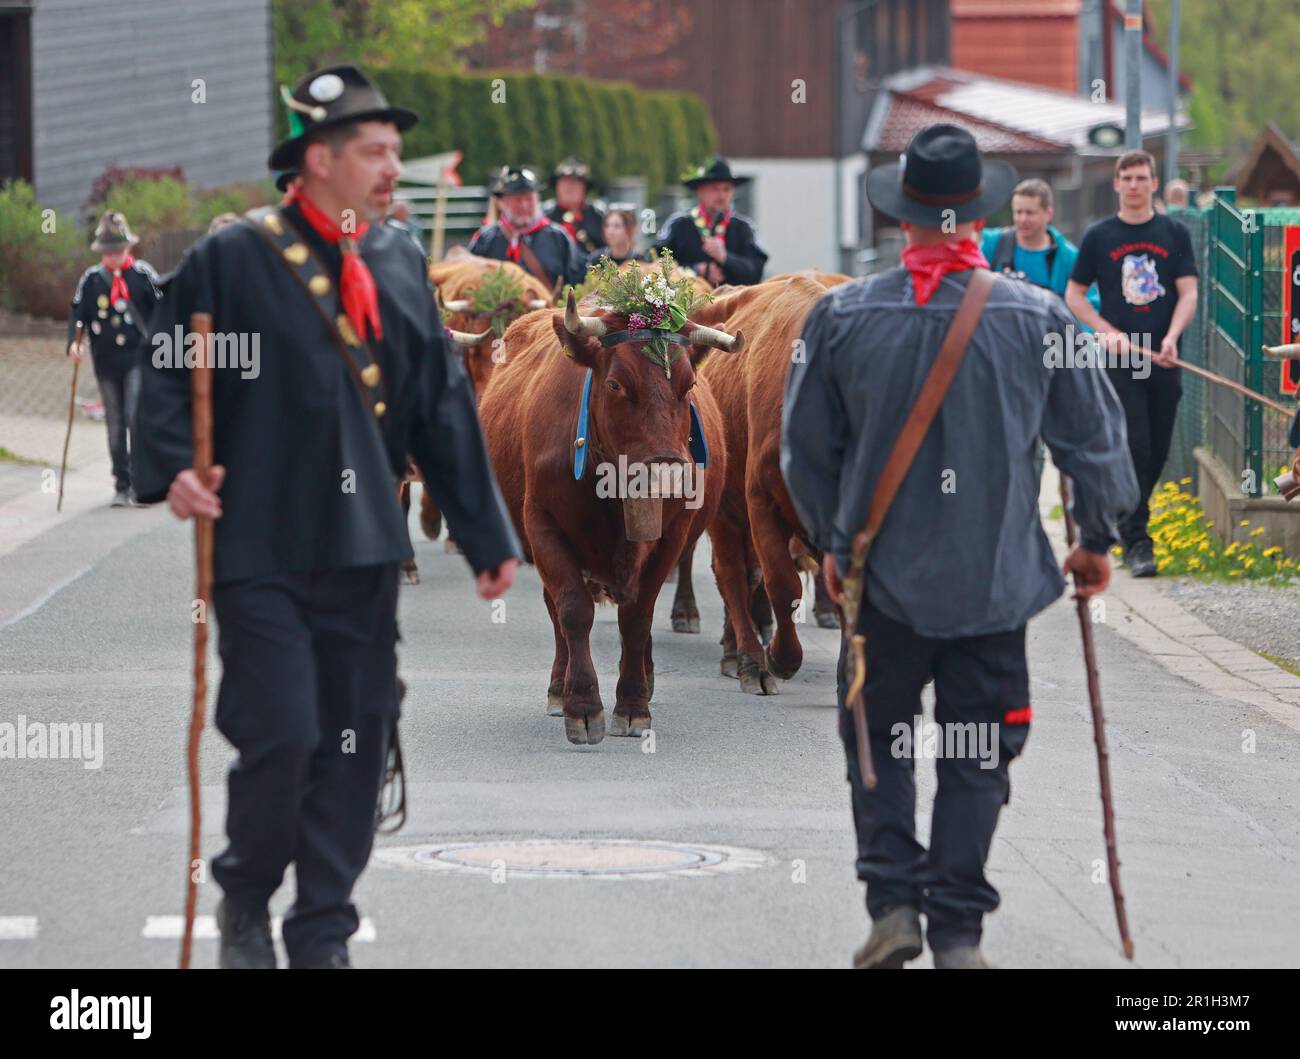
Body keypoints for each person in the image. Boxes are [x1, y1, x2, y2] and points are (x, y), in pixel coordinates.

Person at [132, 63, 522, 969]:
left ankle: (320, 930)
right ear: (317, 159)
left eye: (395, 151)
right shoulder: (233, 258)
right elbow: (163, 366)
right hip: (258, 547)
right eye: (375, 152)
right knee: (284, 730)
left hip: (365, 550)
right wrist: (174, 469)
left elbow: (439, 407)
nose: (393, 168)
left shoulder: (395, 259)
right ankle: (244, 892)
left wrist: (486, 535)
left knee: (357, 742)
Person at [782, 124, 1139, 969]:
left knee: (881, 741)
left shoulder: (837, 318)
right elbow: (1096, 445)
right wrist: (1092, 539)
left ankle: (895, 904)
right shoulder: (1038, 316)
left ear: (901, 218)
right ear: (976, 216)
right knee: (979, 753)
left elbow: (803, 452)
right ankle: (959, 931)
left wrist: (834, 545)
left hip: (880, 586)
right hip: (995, 585)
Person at [1066, 149, 1199, 578]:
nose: (1136, 185)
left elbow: (1188, 292)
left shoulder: (1174, 233)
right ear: (1117, 184)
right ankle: (1137, 539)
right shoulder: (1099, 236)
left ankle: (1121, 515)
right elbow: (1074, 295)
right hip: (1121, 356)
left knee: (1157, 450)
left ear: (1154, 183)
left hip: (1161, 353)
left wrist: (1173, 336)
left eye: (1143, 178)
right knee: (1135, 444)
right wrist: (1104, 331)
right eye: (1128, 178)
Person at [980, 178, 1099, 482]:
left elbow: (1087, 306)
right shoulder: (993, 246)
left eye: (1030, 213)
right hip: (998, 361)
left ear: (1048, 214)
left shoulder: (1066, 258)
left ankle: (1032, 509)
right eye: (1017, 212)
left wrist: (1074, 351)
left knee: (1037, 445)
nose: (1022, 220)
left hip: (1046, 365)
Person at [67, 210, 162, 507]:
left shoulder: (144, 275)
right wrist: (74, 343)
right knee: (115, 423)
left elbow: (162, 311)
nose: (114, 257)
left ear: (128, 248)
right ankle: (121, 482)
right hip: (106, 362)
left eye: (118, 251)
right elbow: (78, 316)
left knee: (135, 416)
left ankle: (140, 481)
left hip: (138, 359)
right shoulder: (92, 280)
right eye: (108, 253)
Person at [653, 157, 768, 285]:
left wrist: (725, 258)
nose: (722, 195)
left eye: (727, 189)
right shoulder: (678, 224)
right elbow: (654, 262)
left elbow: (756, 272)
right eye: (715, 188)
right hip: (688, 303)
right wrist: (697, 270)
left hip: (733, 303)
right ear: (700, 191)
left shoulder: (744, 227)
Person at [468, 166, 585, 291]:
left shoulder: (559, 238)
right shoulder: (486, 239)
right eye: (517, 200)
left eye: (529, 199)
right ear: (501, 202)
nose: (524, 206)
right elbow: (469, 282)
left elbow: (577, 283)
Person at [544, 156, 605, 257]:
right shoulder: (544, 215)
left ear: (585, 187)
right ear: (556, 186)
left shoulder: (598, 215)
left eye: (576, 181)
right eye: (564, 181)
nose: (570, 186)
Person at [584, 205, 641, 270]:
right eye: (607, 226)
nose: (610, 231)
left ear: (630, 228)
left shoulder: (641, 260)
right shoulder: (596, 260)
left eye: (617, 226)